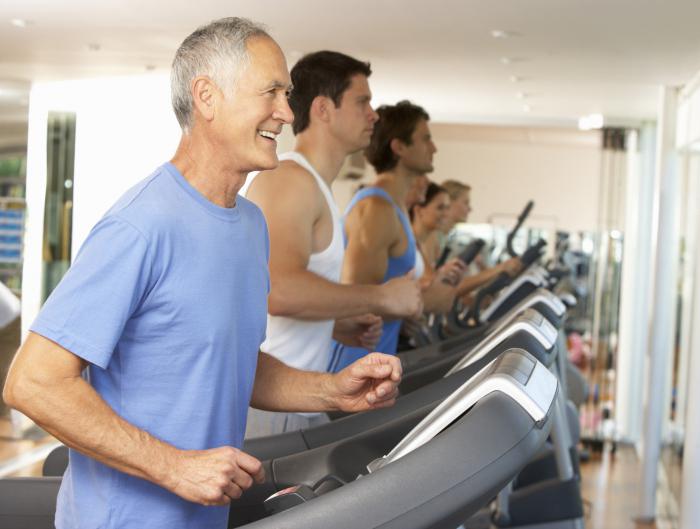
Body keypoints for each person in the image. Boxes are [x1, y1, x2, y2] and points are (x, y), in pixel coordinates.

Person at [2, 18, 402, 529]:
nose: (285, 112)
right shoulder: (141, 225)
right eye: (272, 93)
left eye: (288, 94)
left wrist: (331, 390)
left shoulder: (250, 224)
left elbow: (231, 360)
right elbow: (33, 382)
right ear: (207, 97)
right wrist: (174, 466)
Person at [243, 51, 422, 437]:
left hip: (300, 398)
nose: (373, 114)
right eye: (362, 102)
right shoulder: (290, 181)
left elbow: (279, 300)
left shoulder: (314, 186)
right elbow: (280, 290)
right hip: (271, 402)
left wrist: (334, 324)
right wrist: (382, 297)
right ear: (323, 109)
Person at [328, 101, 436, 372]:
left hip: (375, 361)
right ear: (399, 147)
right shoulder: (377, 209)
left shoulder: (395, 206)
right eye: (425, 139)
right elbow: (353, 306)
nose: (434, 148)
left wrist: (405, 311)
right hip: (350, 366)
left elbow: (385, 297)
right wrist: (407, 306)